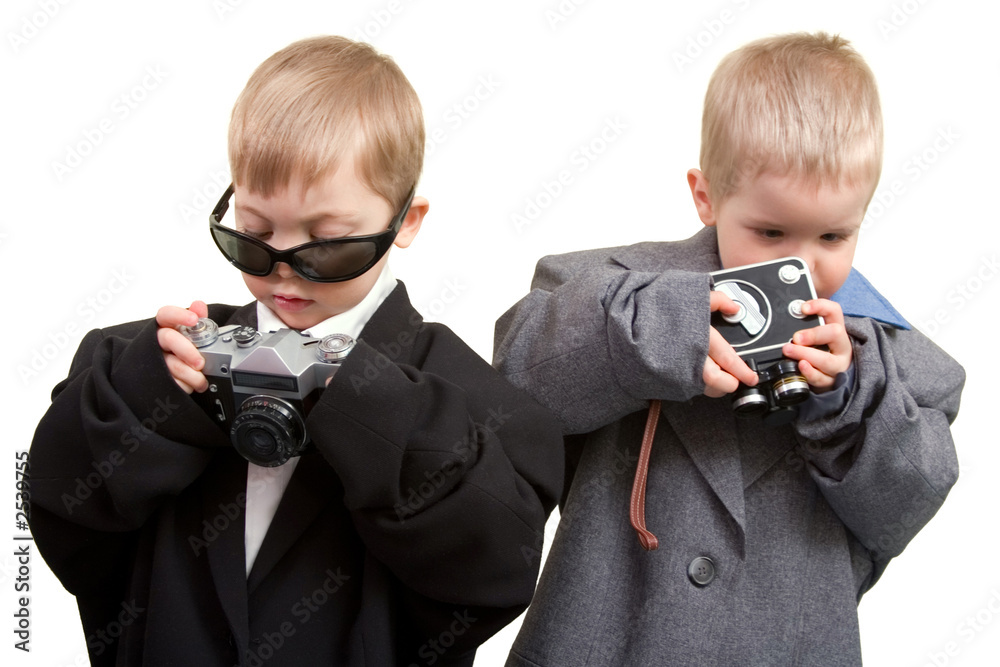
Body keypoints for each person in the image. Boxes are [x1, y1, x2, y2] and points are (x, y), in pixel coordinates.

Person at [28, 36, 563, 667]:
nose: (284, 270)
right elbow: (61, 517)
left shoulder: (473, 395)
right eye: (252, 236)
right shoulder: (142, 363)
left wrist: (370, 406)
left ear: (407, 222)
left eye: (328, 244)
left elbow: (494, 576)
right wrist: (147, 394)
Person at [493, 32, 963, 666]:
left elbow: (904, 509)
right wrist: (660, 330)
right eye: (770, 231)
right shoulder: (613, 288)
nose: (801, 260)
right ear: (706, 195)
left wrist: (848, 401)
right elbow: (517, 384)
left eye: (833, 233)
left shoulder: (897, 362)